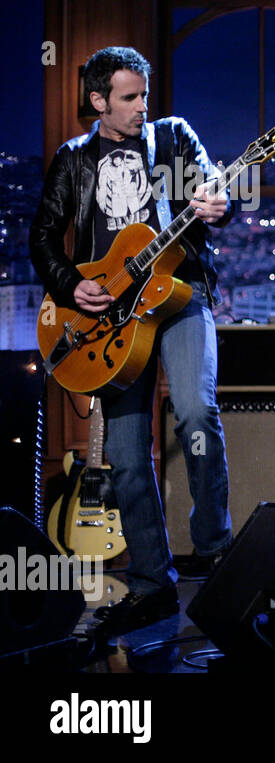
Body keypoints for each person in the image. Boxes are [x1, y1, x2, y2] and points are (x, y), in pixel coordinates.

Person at [29, 46, 234, 636]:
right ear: (98, 101)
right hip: (110, 322)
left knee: (196, 411)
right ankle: (151, 583)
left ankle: (215, 548)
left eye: (145, 94)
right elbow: (42, 239)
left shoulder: (172, 139)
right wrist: (73, 286)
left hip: (178, 298)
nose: (144, 106)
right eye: (129, 97)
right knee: (123, 457)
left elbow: (213, 194)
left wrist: (218, 206)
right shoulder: (73, 159)